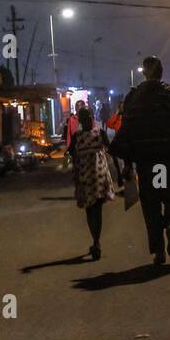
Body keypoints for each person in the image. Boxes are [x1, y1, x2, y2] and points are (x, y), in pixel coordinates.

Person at [112, 56, 170, 266]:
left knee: (151, 207)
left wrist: (128, 163)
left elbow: (127, 131)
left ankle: (158, 251)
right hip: (167, 161)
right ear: (161, 72)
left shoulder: (133, 97)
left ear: (145, 72)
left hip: (146, 164)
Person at [69, 105, 114, 260]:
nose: (88, 120)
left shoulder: (99, 133)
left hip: (97, 178)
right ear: (80, 120)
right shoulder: (77, 136)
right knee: (91, 210)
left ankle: (96, 241)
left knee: (95, 210)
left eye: (89, 117)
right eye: (85, 117)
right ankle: (96, 241)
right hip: (85, 178)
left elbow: (112, 150)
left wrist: (121, 174)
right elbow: (71, 155)